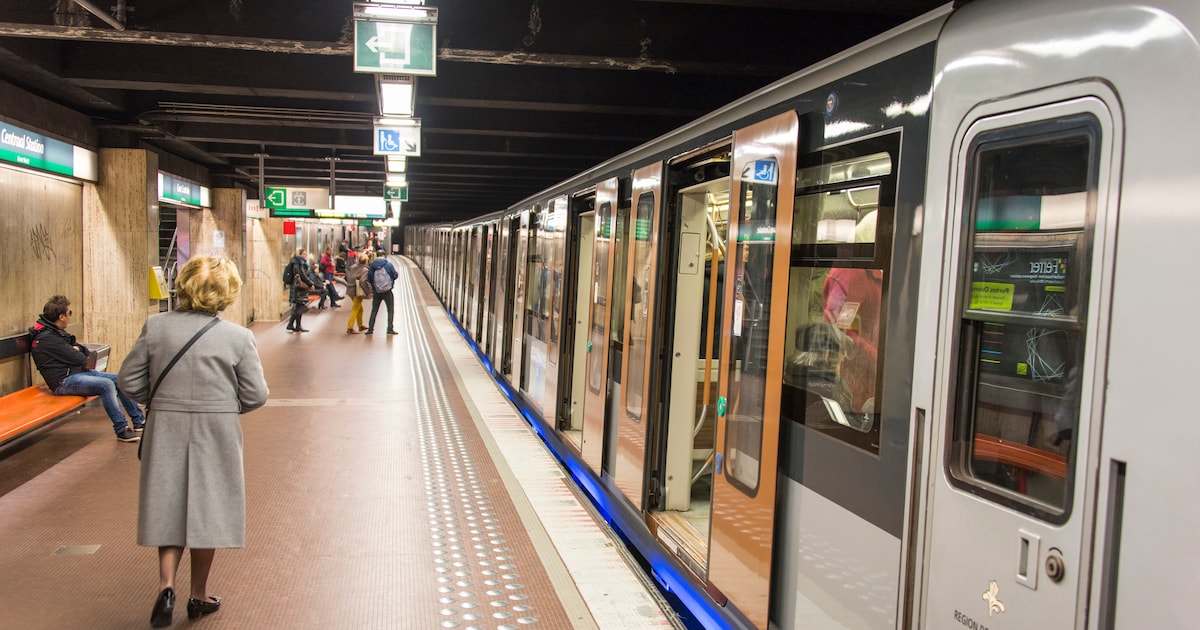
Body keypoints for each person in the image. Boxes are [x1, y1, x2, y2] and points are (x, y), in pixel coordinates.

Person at [117, 256, 269, 628]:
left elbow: (128, 382)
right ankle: (198, 595)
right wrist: (220, 405)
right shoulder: (238, 337)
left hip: (165, 425)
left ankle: (167, 585)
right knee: (209, 507)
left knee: (168, 504)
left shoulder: (156, 328)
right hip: (216, 429)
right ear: (227, 292)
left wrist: (162, 400)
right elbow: (256, 394)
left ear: (183, 285)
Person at [28, 295, 146, 442]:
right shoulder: (48, 338)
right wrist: (77, 351)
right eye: (69, 313)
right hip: (63, 382)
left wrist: (77, 349)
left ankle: (138, 421)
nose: (71, 316)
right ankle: (121, 428)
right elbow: (81, 358)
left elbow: (82, 350)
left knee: (120, 379)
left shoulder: (55, 332)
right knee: (106, 385)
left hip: (76, 374)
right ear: (61, 317)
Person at [365, 253, 399, 335]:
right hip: (387, 291)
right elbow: (395, 275)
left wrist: (375, 286)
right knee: (390, 310)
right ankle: (389, 329)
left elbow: (369, 278)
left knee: (374, 310)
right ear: (384, 255)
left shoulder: (372, 265)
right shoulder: (388, 264)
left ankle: (370, 329)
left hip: (376, 292)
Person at [284, 249, 313, 332]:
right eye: (304, 254)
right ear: (299, 254)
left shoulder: (298, 263)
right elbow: (302, 275)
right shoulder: (298, 263)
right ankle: (295, 325)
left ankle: (294, 325)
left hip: (297, 287)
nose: (305, 255)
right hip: (298, 288)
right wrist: (310, 283)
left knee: (299, 306)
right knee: (299, 306)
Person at [344, 250, 371, 334]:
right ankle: (350, 327)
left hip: (350, 289)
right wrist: (368, 292)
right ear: (366, 261)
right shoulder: (365, 270)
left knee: (360, 309)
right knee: (355, 309)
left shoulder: (353, 267)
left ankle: (360, 325)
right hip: (357, 291)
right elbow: (363, 281)